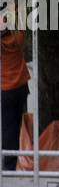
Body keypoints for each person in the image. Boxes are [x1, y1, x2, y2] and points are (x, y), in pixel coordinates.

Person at [0, 25, 29, 171]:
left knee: (8, 131)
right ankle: (20, 159)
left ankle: (10, 168)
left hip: (5, 89)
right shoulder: (17, 34)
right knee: (20, 127)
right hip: (21, 86)